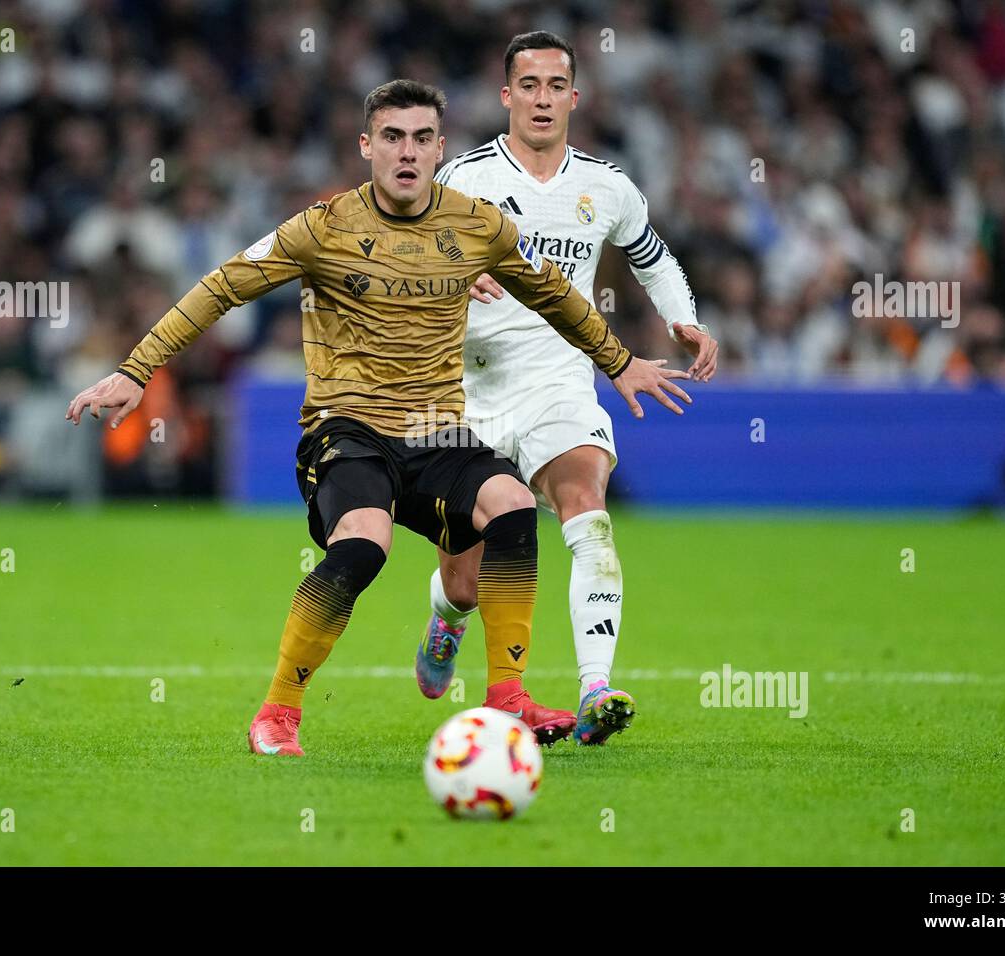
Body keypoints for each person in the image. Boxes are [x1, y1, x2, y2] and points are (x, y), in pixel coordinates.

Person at [65, 79, 691, 756]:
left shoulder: (475, 225)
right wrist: (136, 369)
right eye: (392, 136)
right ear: (367, 146)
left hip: (437, 428)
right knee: (364, 544)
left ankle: (508, 698)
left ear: (440, 148)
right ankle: (278, 712)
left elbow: (554, 296)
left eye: (422, 138)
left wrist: (619, 359)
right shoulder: (324, 226)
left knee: (512, 505)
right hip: (347, 428)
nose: (407, 151)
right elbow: (222, 287)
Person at [416, 32, 717, 745]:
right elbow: (415, 256)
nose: (543, 99)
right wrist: (456, 272)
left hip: (560, 384)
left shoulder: (606, 187)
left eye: (556, 86)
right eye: (530, 85)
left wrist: (685, 321)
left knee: (587, 509)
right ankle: (445, 616)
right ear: (507, 97)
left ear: (574, 98)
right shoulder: (463, 178)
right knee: (465, 581)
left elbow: (655, 258)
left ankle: (594, 688)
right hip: (470, 394)